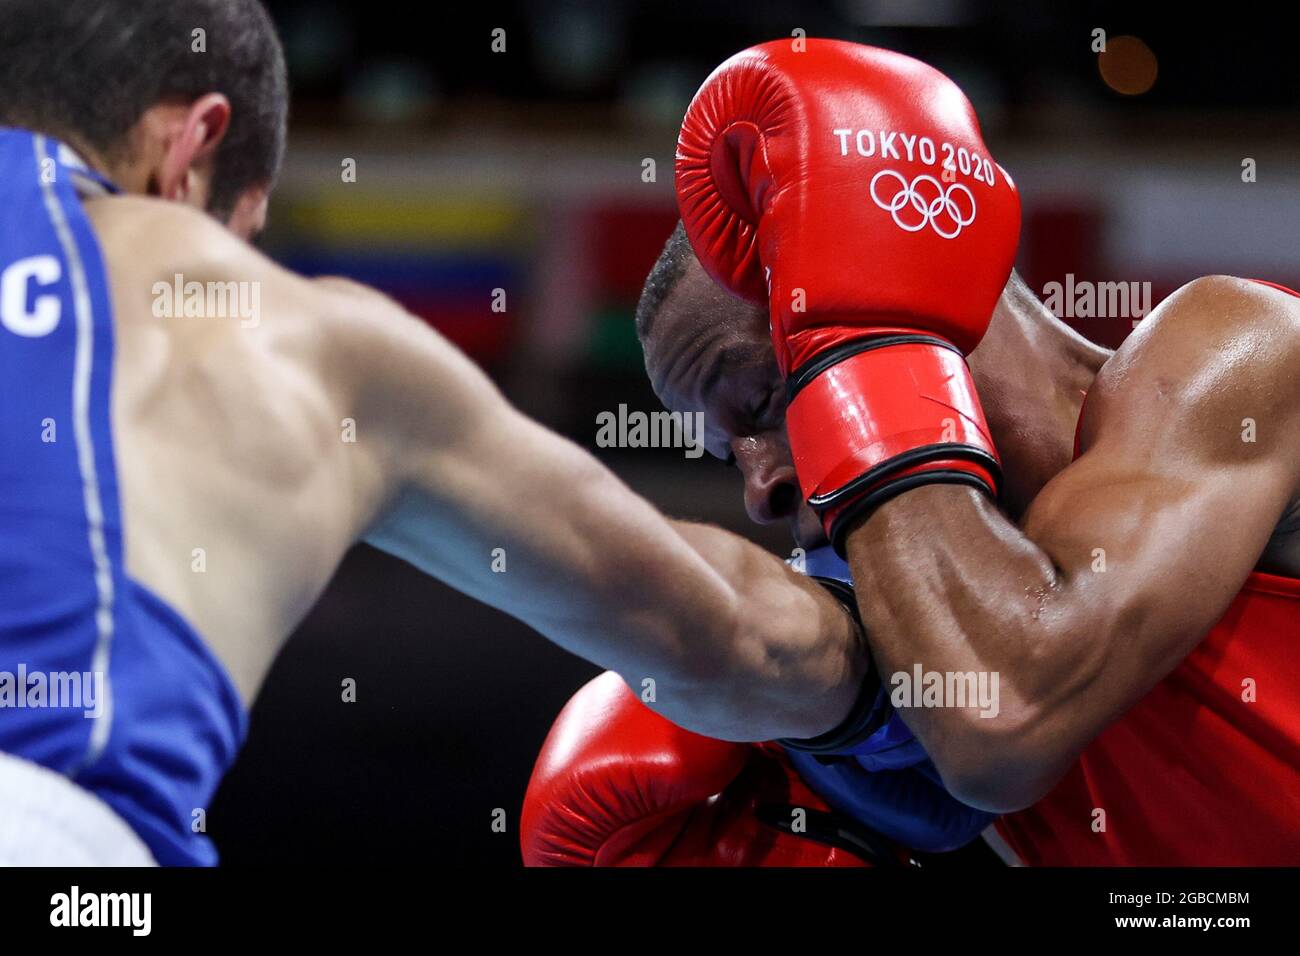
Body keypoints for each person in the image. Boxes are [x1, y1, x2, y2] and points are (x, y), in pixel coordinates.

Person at [0, 1, 875, 865]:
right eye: (240, 235)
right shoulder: (297, 333)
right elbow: (724, 635)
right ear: (188, 152)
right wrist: (892, 654)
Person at [529, 38, 1299, 866]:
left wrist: (867, 344)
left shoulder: (1237, 350)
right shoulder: (902, 616)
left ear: (909, 286)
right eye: (729, 455)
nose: (760, 489)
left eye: (761, 400)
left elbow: (1007, 717)